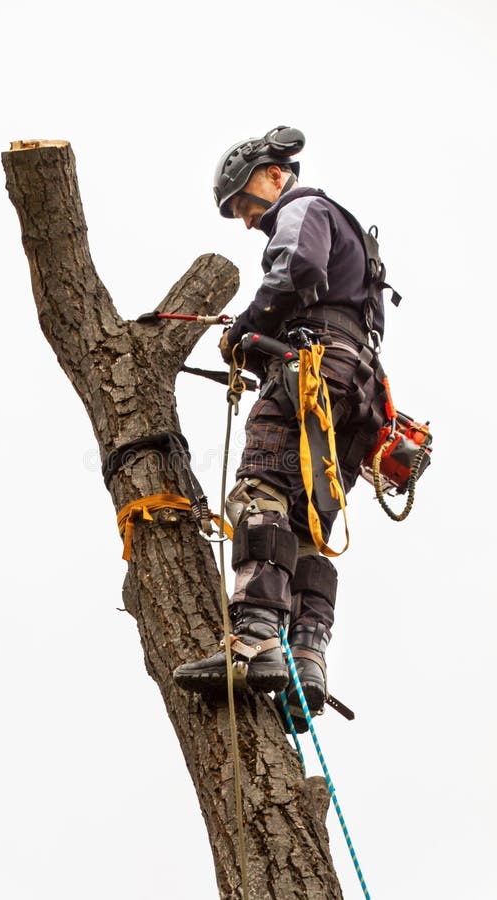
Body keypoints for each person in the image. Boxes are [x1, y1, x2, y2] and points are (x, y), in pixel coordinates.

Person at [173, 126, 391, 730]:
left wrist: (245, 327)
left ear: (274, 175)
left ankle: (256, 639)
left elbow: (296, 268)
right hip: (354, 393)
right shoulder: (349, 239)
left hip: (312, 376)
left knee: (259, 492)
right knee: (307, 525)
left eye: (244, 204)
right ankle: (307, 657)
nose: (245, 222)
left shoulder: (303, 208)